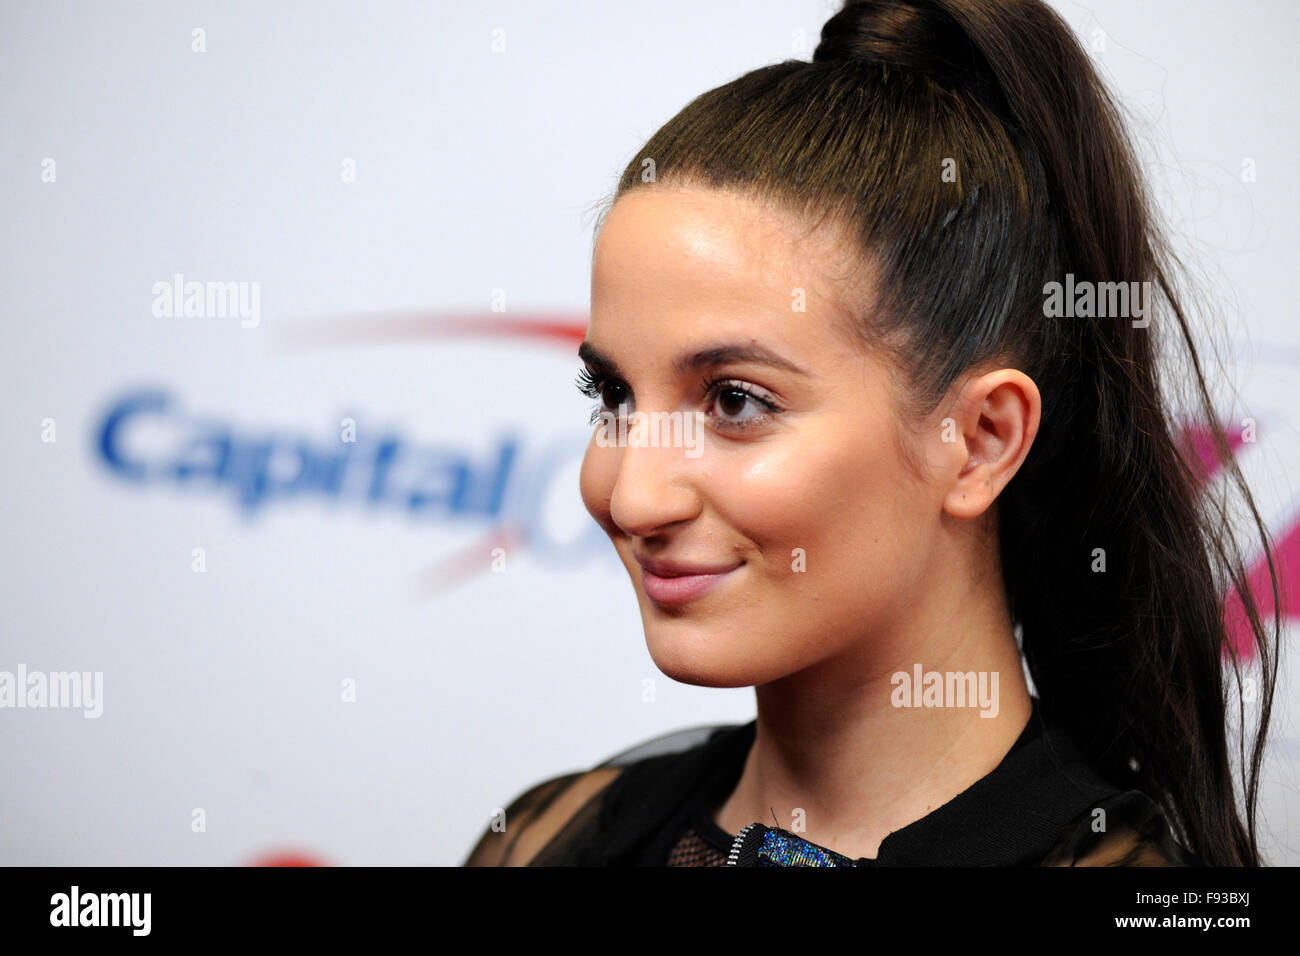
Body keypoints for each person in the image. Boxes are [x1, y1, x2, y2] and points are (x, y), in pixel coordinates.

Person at [463, 0, 1279, 867]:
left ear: (980, 440)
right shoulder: (548, 839)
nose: (632, 497)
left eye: (735, 402)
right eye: (615, 396)